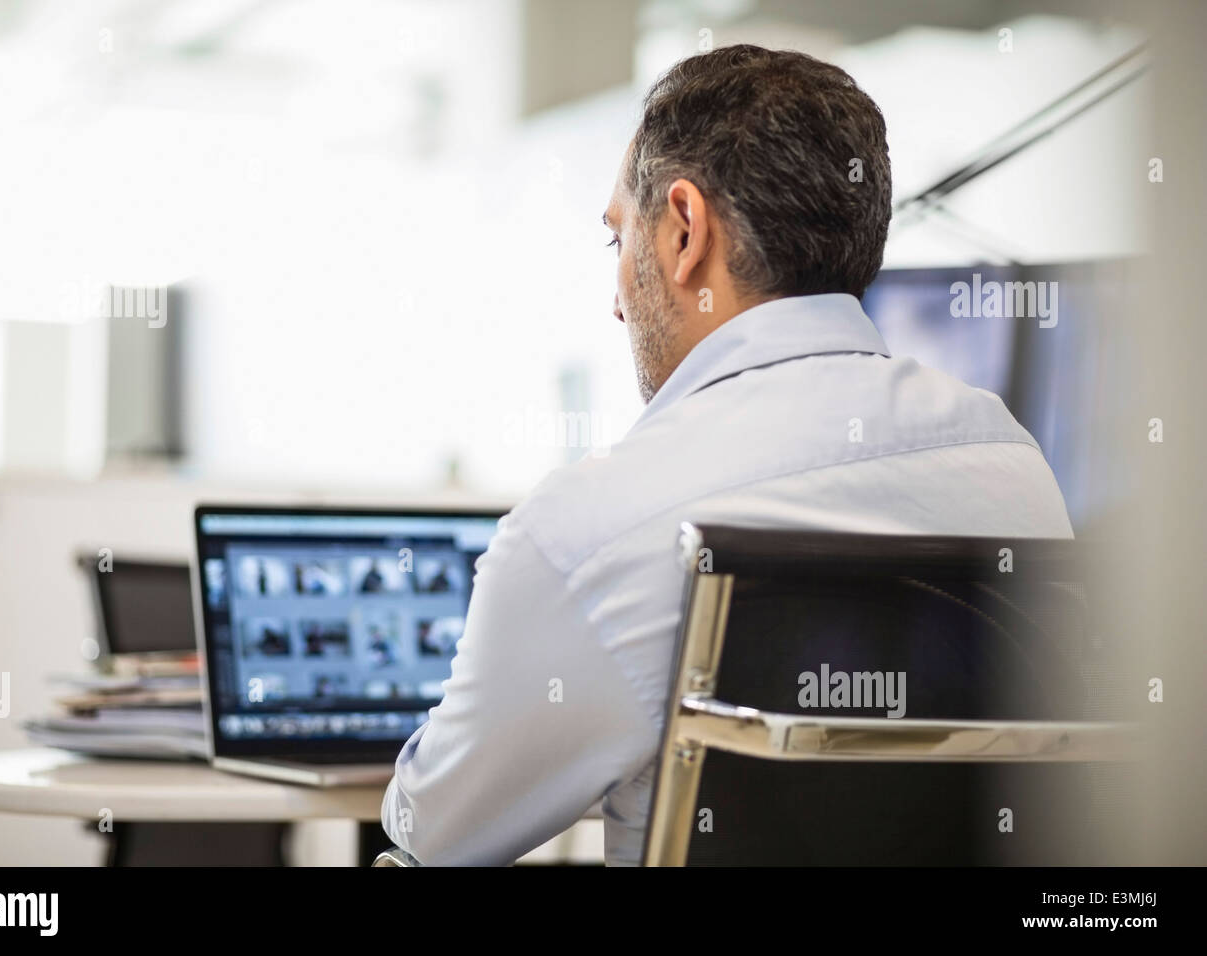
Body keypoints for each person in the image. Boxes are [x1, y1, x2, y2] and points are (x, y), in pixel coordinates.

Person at [380, 45, 1072, 866]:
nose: (615, 299)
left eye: (618, 241)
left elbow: (438, 830)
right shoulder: (1011, 463)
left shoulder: (590, 530)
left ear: (682, 229)